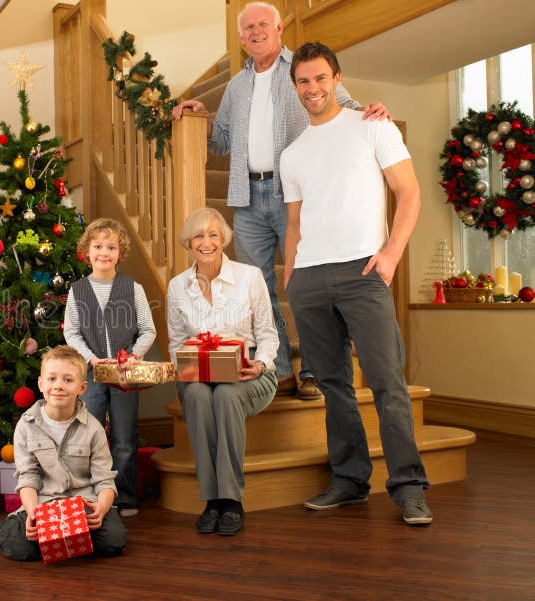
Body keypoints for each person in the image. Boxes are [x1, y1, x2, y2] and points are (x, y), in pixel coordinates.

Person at [171, 1, 391, 400]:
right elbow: (222, 142)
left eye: (262, 25)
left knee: (303, 283)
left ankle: (311, 370)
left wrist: (372, 111)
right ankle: (282, 368)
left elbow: (345, 109)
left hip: (297, 195)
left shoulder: (301, 72)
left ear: (278, 29)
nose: (255, 32)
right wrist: (203, 116)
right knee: (260, 288)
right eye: (248, 28)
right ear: (241, 38)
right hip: (247, 197)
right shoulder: (236, 85)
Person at [280, 42, 432, 525]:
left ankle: (409, 487)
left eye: (321, 78)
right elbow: (295, 223)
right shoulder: (293, 154)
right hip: (310, 278)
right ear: (295, 87)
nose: (313, 88)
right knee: (332, 385)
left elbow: (409, 193)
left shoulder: (373, 126)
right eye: (303, 80)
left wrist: (390, 256)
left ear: (337, 78)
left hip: (364, 273)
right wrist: (291, 276)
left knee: (388, 383)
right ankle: (349, 481)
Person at [166, 207, 279, 536]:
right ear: (188, 242)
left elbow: (269, 335)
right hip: (197, 375)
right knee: (200, 397)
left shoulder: (249, 277)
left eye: (213, 234)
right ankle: (211, 500)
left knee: (227, 395)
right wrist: (185, 369)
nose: (206, 242)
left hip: (249, 372)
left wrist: (262, 364)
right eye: (199, 235)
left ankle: (230, 501)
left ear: (224, 240)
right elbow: (176, 342)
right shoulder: (177, 287)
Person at [0, 345, 128, 561]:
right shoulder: (26, 426)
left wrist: (101, 507)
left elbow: (104, 479)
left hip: (83, 503)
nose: (58, 386)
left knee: (113, 540)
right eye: (52, 379)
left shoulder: (93, 428)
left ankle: (66, 540)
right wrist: (33, 514)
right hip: (44, 503)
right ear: (40, 383)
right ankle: (9, 530)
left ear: (82, 387)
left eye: (68, 380)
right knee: (20, 546)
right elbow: (27, 478)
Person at [63, 218, 157, 518]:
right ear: (87, 251)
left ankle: (125, 496)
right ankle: (92, 493)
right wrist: (90, 358)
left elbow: (148, 330)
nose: (104, 253)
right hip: (91, 373)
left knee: (125, 436)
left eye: (111, 247)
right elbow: (72, 333)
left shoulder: (133, 288)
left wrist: (134, 355)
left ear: (120, 252)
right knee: (90, 434)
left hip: (125, 374)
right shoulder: (78, 291)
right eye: (98, 246)